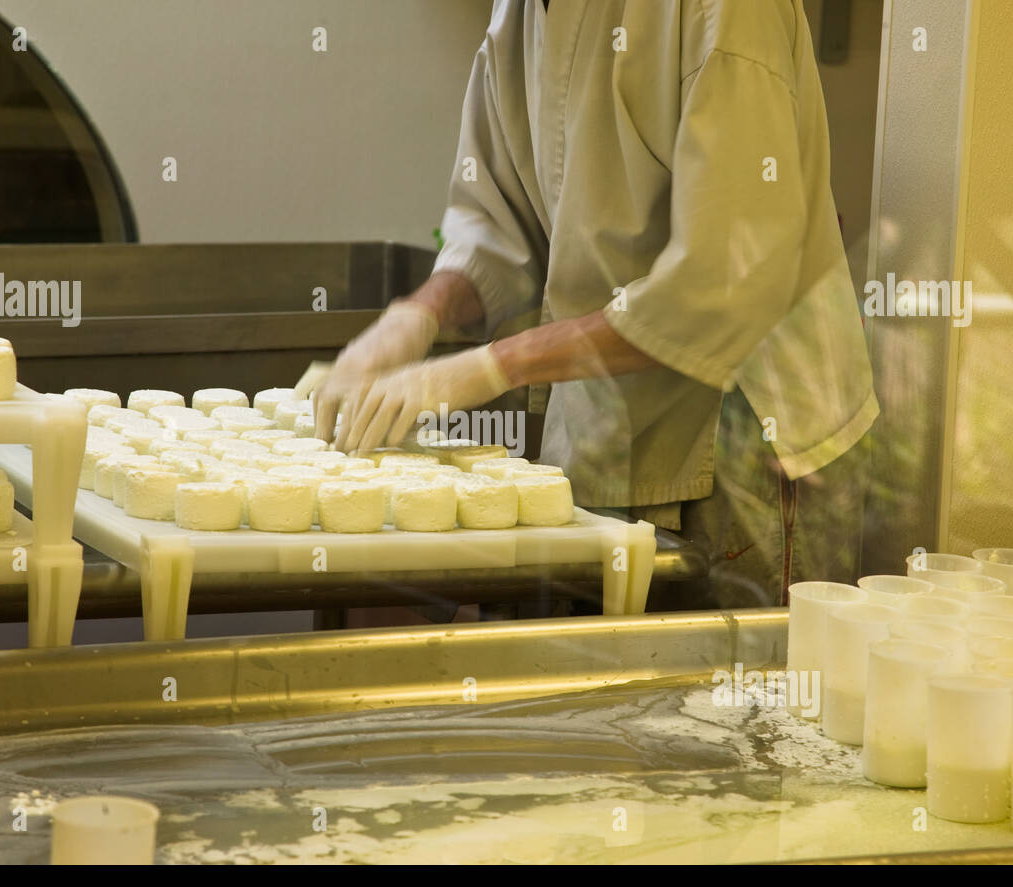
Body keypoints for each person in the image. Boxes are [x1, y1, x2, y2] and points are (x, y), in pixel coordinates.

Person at [314, 0, 878, 608]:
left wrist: (494, 365)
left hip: (745, 444)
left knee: (739, 697)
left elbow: (726, 277)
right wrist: (415, 316)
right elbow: (497, 225)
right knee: (612, 697)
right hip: (604, 428)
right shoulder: (520, 17)